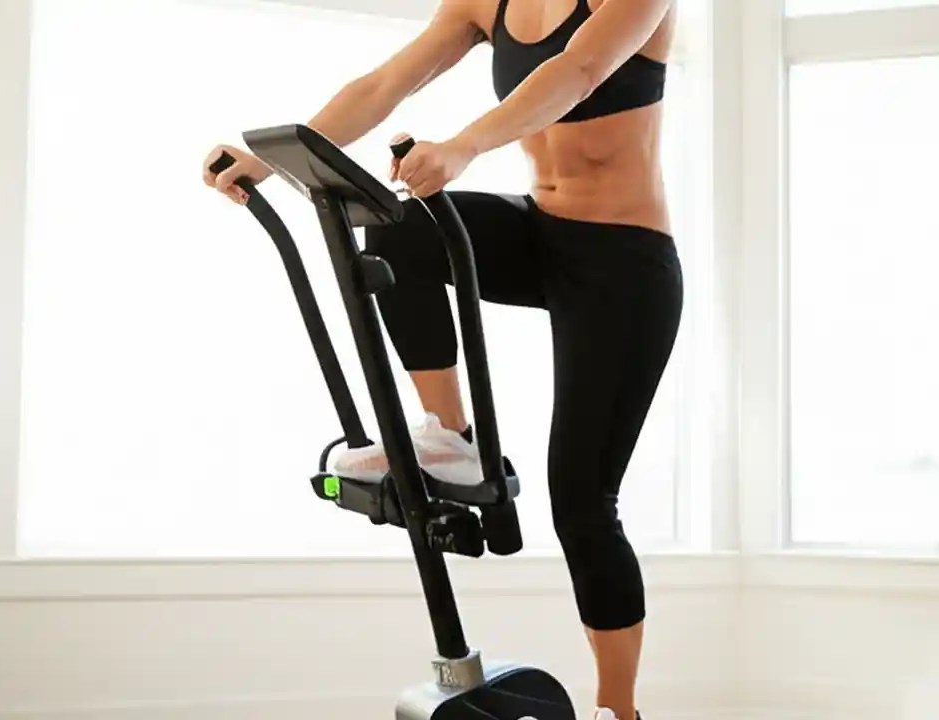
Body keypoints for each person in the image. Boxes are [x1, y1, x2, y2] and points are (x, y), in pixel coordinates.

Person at [203, 1, 679, 718]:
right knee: (402, 234)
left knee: (582, 502)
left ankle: (620, 709)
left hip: (625, 259)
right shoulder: (484, 3)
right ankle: (453, 436)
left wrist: (461, 147)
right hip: (540, 228)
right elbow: (385, 82)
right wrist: (264, 162)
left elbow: (577, 71)